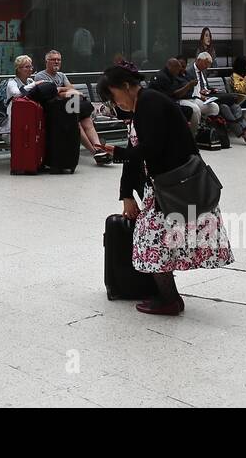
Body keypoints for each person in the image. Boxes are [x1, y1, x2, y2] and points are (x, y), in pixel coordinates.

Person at [100, 62, 234, 316]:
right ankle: (168, 297)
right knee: (154, 241)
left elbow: (150, 149)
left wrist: (119, 153)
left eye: (113, 96)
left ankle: (169, 300)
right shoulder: (143, 106)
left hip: (173, 185)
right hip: (166, 185)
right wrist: (126, 195)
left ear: (126, 87)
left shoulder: (149, 103)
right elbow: (137, 155)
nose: (115, 103)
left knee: (150, 241)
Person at [34, 49, 112, 165]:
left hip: (68, 106)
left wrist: (62, 90)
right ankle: (94, 152)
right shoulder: (40, 76)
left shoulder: (61, 75)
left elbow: (72, 89)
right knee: (76, 123)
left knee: (87, 121)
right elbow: (51, 93)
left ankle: (99, 148)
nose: (56, 62)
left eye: (58, 60)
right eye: (53, 60)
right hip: (54, 111)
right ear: (46, 61)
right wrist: (65, 91)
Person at [192, 52, 246, 145]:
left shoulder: (203, 71)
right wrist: (201, 94)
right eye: (206, 63)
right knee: (225, 107)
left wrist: (212, 90)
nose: (207, 66)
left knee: (235, 106)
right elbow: (192, 89)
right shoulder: (190, 71)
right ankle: (244, 133)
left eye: (208, 64)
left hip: (209, 96)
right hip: (200, 98)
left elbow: (205, 86)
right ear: (198, 60)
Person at [150, 57, 201, 127]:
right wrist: (188, 86)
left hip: (169, 101)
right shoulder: (162, 77)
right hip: (161, 105)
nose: (178, 72)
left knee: (188, 110)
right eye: (177, 70)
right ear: (172, 67)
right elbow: (173, 94)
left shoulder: (170, 75)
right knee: (190, 110)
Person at [0, 54, 36, 131]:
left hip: (27, 117)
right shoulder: (12, 82)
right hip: (12, 123)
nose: (30, 69)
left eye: (31, 67)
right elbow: (17, 94)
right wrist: (34, 84)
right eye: (27, 67)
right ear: (18, 69)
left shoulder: (30, 81)